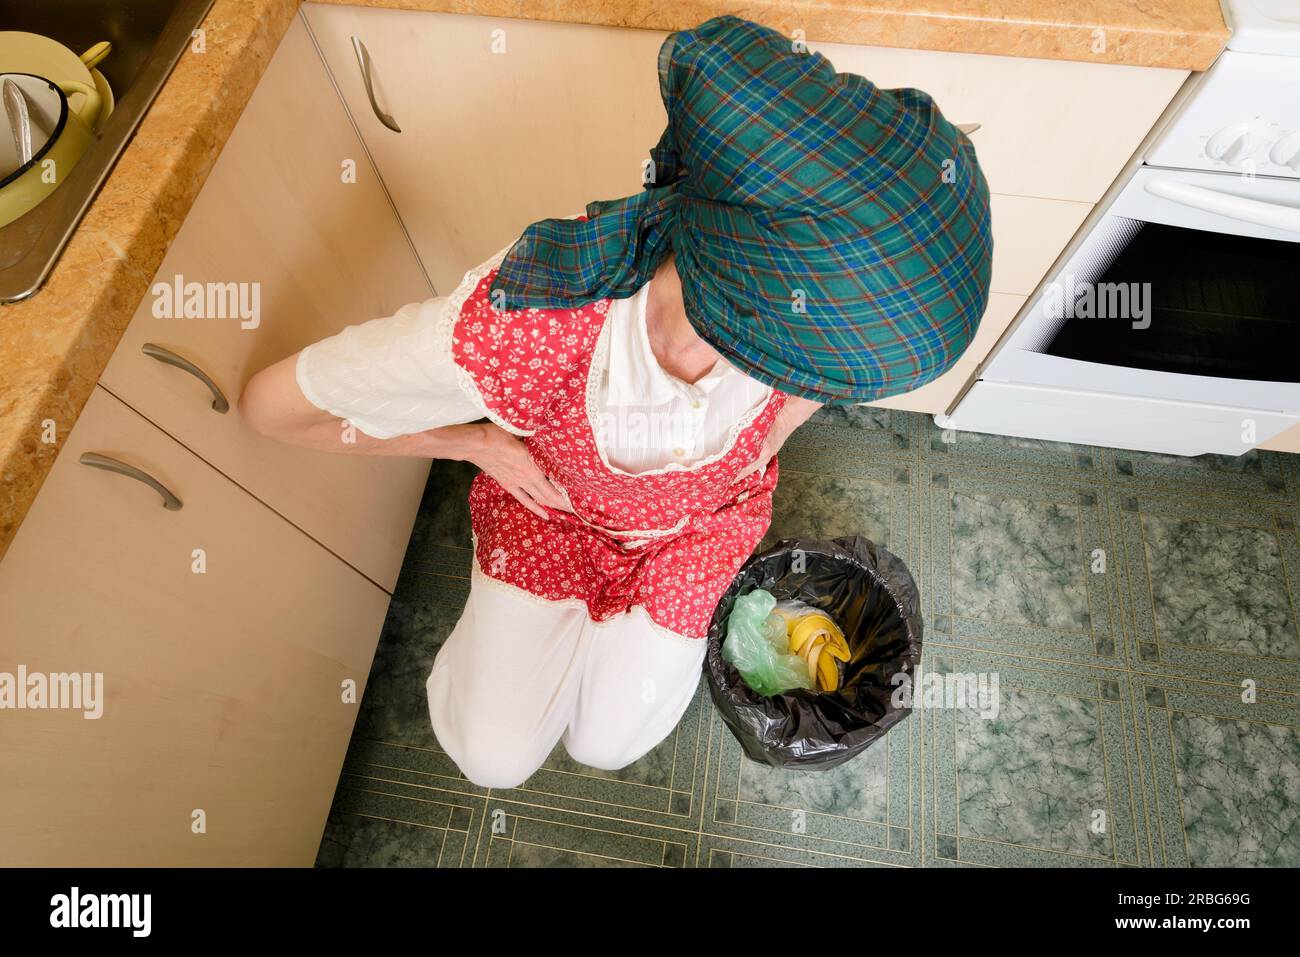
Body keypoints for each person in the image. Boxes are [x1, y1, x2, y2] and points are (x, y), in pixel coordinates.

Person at [238, 15, 992, 788]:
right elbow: (273, 407)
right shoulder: (531, 326)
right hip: (552, 517)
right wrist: (479, 444)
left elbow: (800, 398)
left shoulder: (802, 321)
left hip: (697, 530)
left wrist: (757, 446)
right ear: (753, 300)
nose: (824, 386)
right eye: (826, 371)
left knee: (607, 740)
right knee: (491, 756)